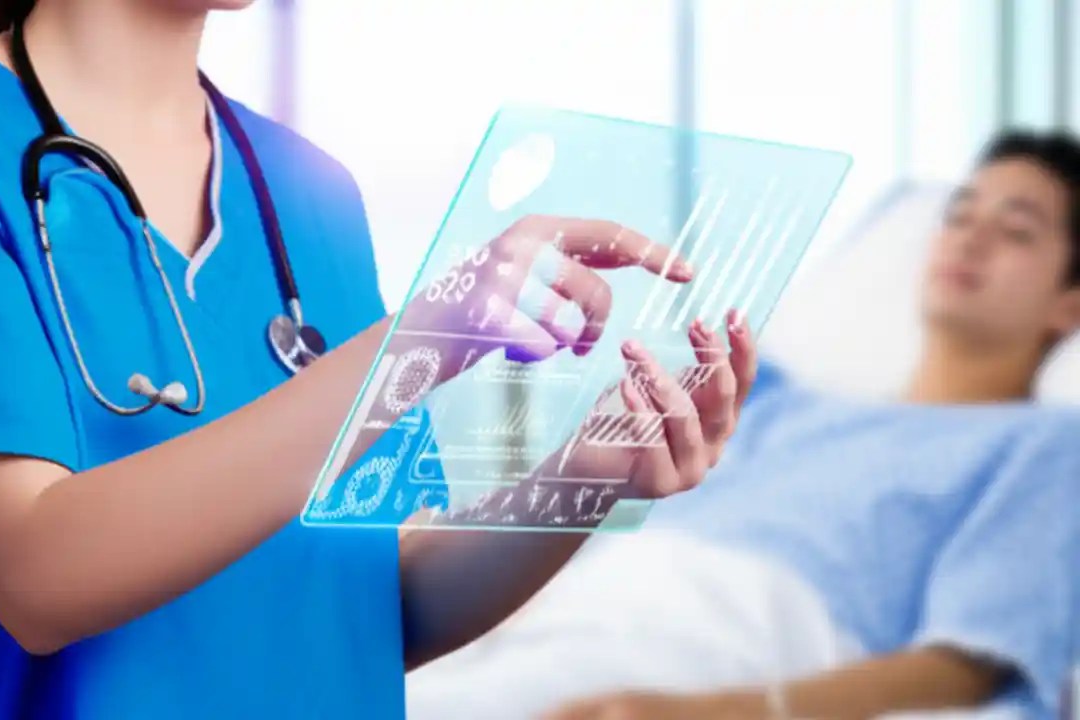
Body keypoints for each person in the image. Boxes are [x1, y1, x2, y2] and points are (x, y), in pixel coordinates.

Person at [0, 1, 761, 718]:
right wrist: (416, 343)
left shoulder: (310, 194)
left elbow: (383, 599)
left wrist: (588, 474)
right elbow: (38, 576)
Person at [406, 130, 1080, 720]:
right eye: (960, 214)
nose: (971, 237)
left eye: (1017, 230)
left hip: (711, 644)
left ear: (1069, 305)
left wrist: (720, 712)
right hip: (565, 616)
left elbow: (971, 663)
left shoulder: (1042, 448)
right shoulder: (773, 400)